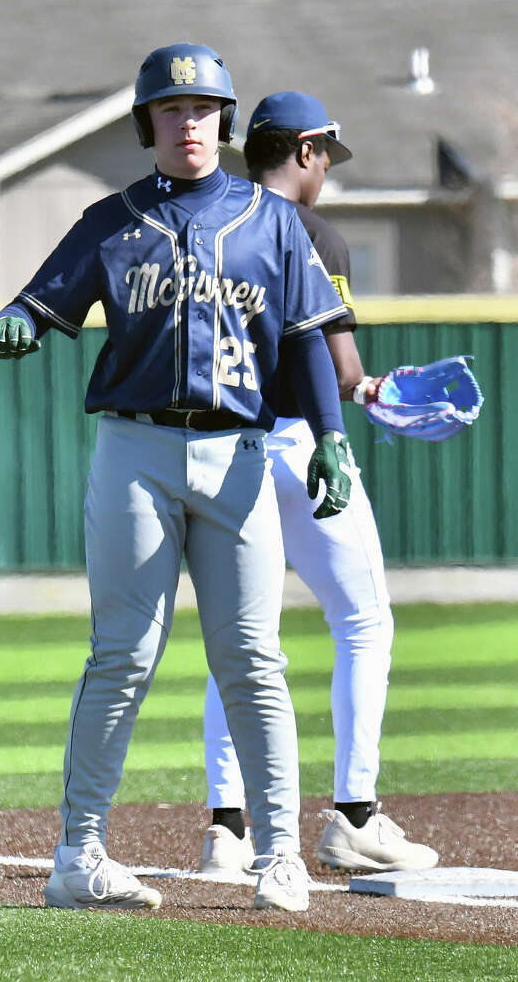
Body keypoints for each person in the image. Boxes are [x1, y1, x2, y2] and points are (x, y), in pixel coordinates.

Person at [0, 44, 354, 913]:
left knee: (253, 657)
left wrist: (332, 437)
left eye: (203, 108)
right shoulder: (111, 219)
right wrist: (14, 325)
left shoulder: (271, 219)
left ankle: (280, 855)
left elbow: (307, 338)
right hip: (135, 452)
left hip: (241, 453)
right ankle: (78, 854)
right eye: (172, 108)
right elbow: (39, 303)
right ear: (147, 123)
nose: (189, 122)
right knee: (122, 654)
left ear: (226, 121)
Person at [197, 91, 438, 877]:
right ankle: (355, 816)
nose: (327, 167)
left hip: (221, 447)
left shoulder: (210, 224)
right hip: (301, 444)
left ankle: (226, 830)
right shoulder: (312, 231)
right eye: (326, 153)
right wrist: (371, 389)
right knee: (364, 621)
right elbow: (336, 366)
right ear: (305, 149)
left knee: (243, 640)